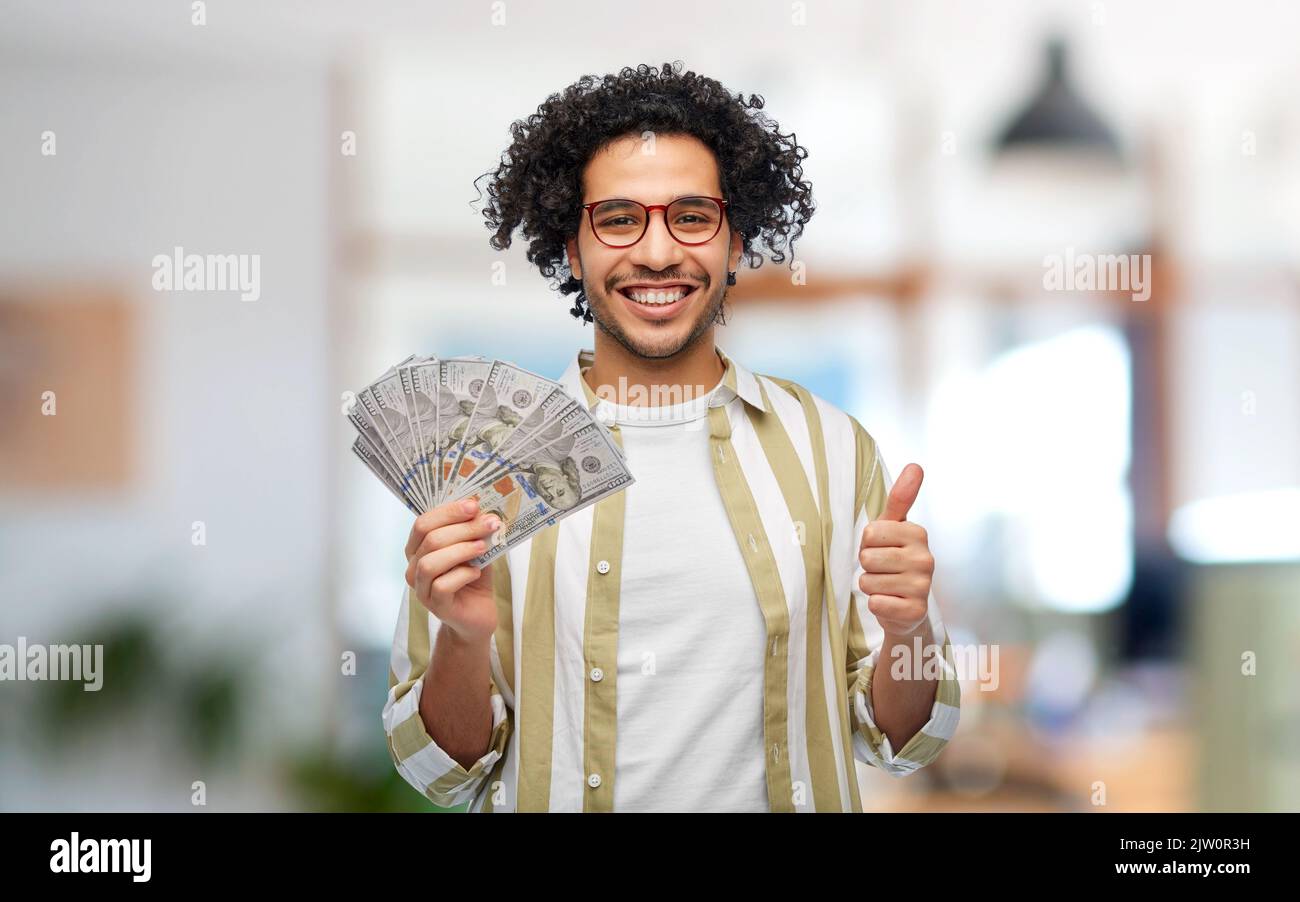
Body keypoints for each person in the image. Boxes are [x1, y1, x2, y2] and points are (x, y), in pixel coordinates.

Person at [384, 62, 960, 812]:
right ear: (571, 247)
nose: (658, 253)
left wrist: (909, 627)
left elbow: (903, 739)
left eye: (691, 216)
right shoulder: (485, 472)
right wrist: (460, 642)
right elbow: (444, 771)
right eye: (620, 218)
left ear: (735, 239)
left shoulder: (835, 449)